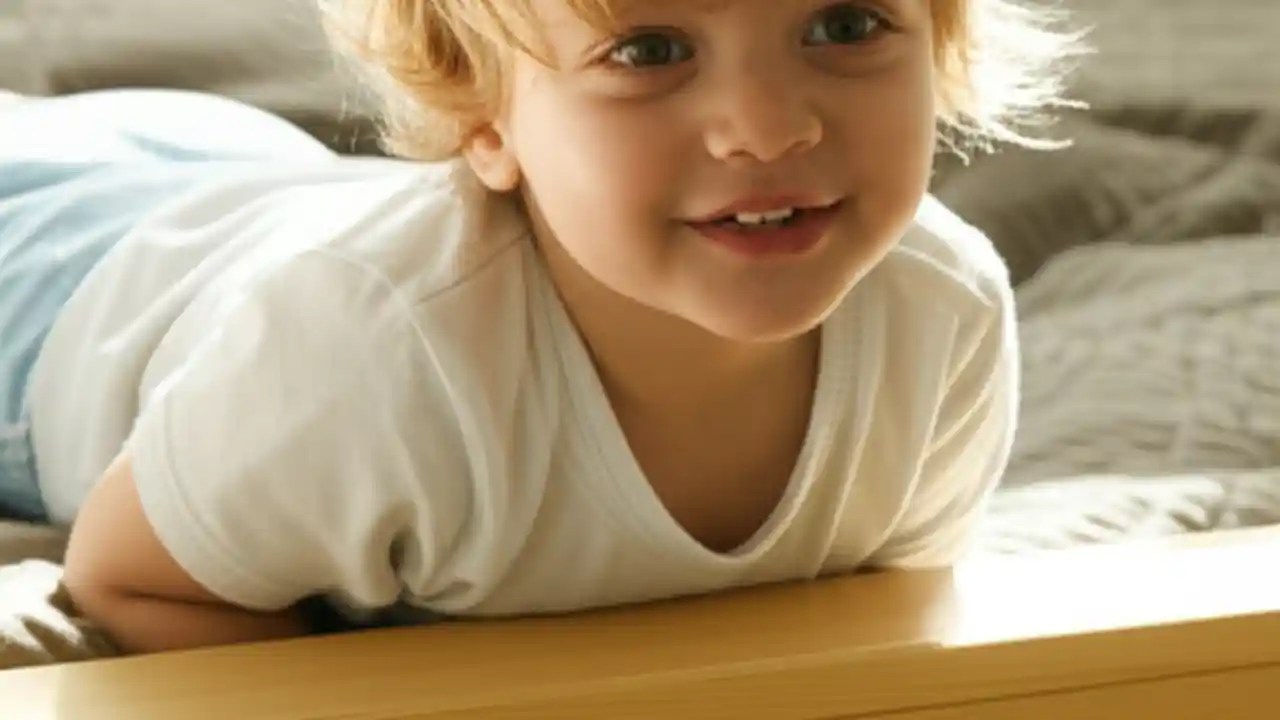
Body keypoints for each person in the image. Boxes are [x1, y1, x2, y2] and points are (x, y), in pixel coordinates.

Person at [0, 0, 1083, 655]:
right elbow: (134, 577)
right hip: (63, 288)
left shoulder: (941, 317)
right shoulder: (374, 357)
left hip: (275, 193)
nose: (767, 129)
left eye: (843, 26)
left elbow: (885, 639)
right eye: (649, 50)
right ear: (480, 121)